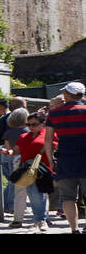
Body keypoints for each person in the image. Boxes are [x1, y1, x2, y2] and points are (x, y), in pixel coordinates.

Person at [44, 81, 86, 235]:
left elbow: (48, 140)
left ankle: (74, 229)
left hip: (66, 159)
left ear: (68, 94)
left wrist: (50, 160)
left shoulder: (54, 114)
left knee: (68, 197)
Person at [10, 110, 52, 231]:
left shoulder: (48, 135)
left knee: (39, 195)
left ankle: (41, 220)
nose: (31, 127)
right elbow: (16, 150)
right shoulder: (24, 136)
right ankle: (40, 220)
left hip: (43, 169)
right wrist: (9, 152)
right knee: (33, 194)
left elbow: (55, 147)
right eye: (29, 125)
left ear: (43, 123)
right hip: (27, 169)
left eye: (34, 124)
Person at [0, 107, 30, 216]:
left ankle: (3, 203)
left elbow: (8, 148)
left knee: (11, 183)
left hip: (7, 158)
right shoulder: (27, 132)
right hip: (18, 159)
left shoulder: (8, 132)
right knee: (15, 183)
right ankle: (10, 206)